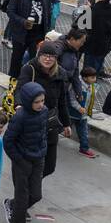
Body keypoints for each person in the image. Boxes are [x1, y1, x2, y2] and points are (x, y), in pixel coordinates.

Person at [17, 41, 73, 179]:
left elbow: (62, 101)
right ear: (39, 55)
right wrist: (19, 105)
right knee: (28, 163)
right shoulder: (30, 69)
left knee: (49, 167)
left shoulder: (61, 73)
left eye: (52, 56)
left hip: (50, 123)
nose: (48, 59)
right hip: (32, 121)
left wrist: (66, 123)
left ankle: (32, 183)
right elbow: (20, 89)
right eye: (45, 55)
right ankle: (25, 192)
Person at [2, 82, 47, 223]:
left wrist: (43, 151)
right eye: (37, 102)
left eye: (42, 101)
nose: (40, 105)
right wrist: (19, 160)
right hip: (22, 161)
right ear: (28, 101)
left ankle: (12, 205)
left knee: (35, 195)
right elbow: (8, 141)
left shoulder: (44, 111)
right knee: (23, 196)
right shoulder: (19, 117)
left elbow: (43, 133)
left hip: (38, 159)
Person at [6, 0, 54, 78]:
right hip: (21, 33)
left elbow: (48, 13)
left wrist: (47, 29)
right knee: (16, 58)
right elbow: (10, 11)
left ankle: (31, 79)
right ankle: (13, 80)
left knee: (36, 59)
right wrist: (23, 21)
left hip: (38, 34)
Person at [83, 0, 111, 78]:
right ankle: (96, 78)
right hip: (104, 44)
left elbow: (82, 23)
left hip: (91, 43)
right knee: (98, 65)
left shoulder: (93, 9)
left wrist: (86, 10)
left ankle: (87, 86)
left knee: (88, 69)